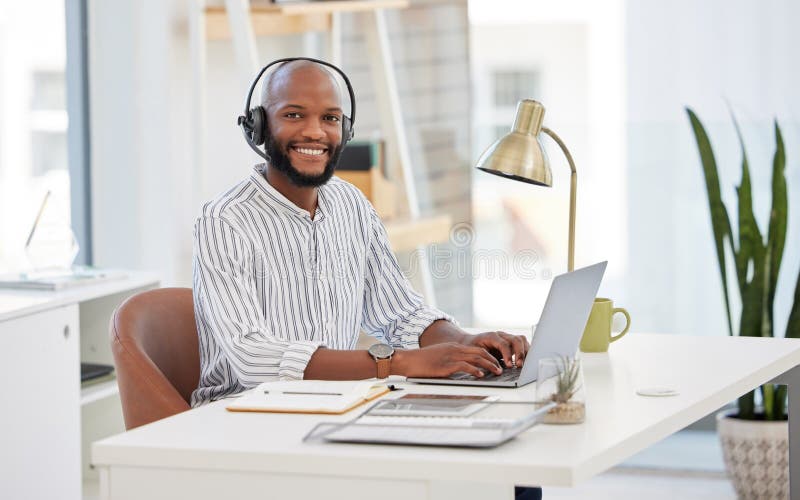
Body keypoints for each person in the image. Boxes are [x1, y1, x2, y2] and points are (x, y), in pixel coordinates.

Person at [191, 57, 541, 500]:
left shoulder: (350, 205)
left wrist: (463, 340)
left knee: (507, 461)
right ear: (259, 126)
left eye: (330, 118)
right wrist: (394, 364)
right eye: (293, 115)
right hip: (245, 425)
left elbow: (398, 311)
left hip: (334, 410)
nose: (315, 132)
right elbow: (252, 357)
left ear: (345, 131)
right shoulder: (225, 220)